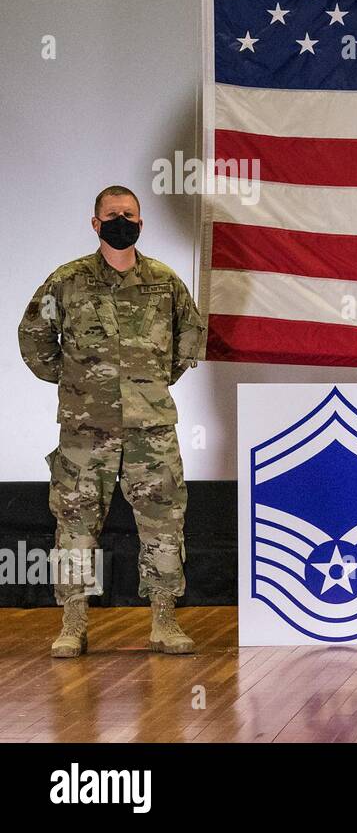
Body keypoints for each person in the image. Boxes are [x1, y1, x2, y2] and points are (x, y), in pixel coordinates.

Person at [18, 185, 207, 657]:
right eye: (112, 214)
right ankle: (73, 624)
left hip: (151, 429)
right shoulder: (67, 281)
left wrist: (152, 382)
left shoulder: (165, 281)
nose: (122, 220)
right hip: (85, 430)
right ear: (95, 223)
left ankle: (164, 622)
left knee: (164, 523)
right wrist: (75, 383)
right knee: (75, 524)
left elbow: (190, 338)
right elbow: (33, 336)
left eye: (130, 214)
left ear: (141, 224)